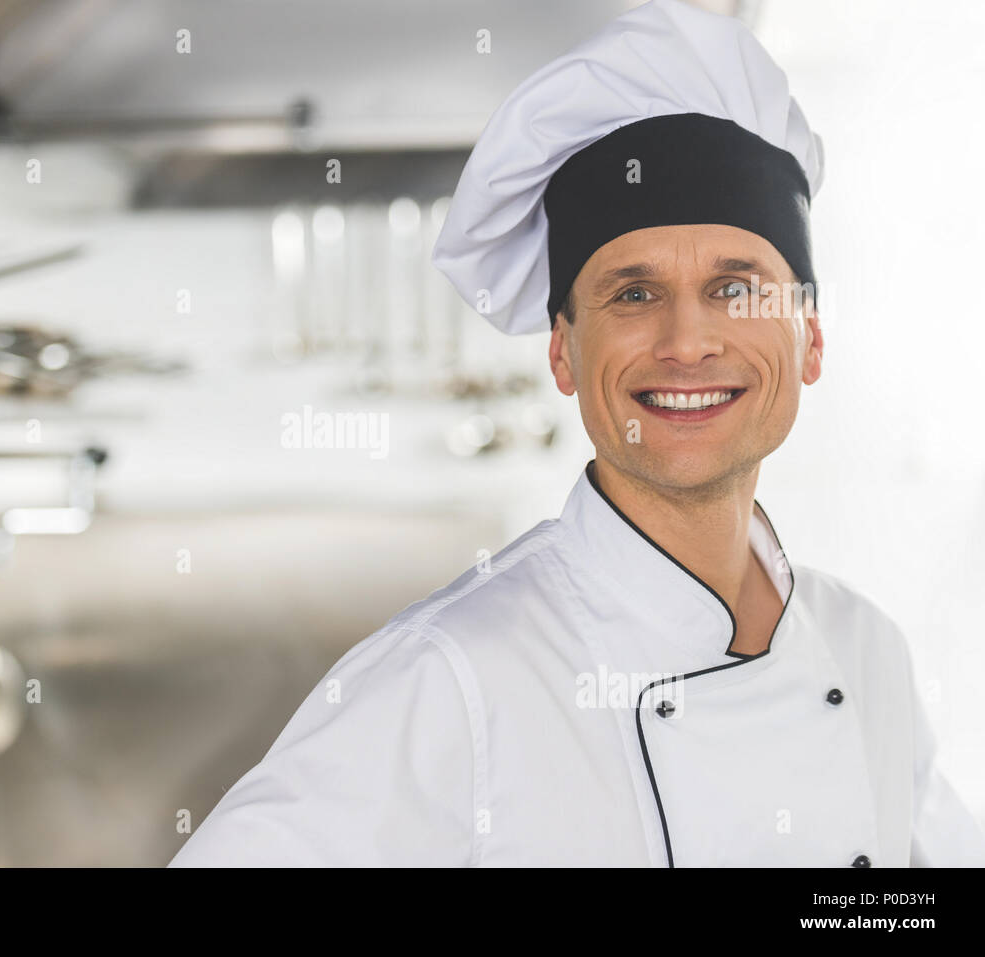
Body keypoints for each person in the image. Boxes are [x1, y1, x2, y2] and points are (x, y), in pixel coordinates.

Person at [168, 0, 985, 866]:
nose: (686, 341)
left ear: (810, 337)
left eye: (736, 287)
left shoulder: (868, 654)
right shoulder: (454, 679)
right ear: (563, 350)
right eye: (633, 294)